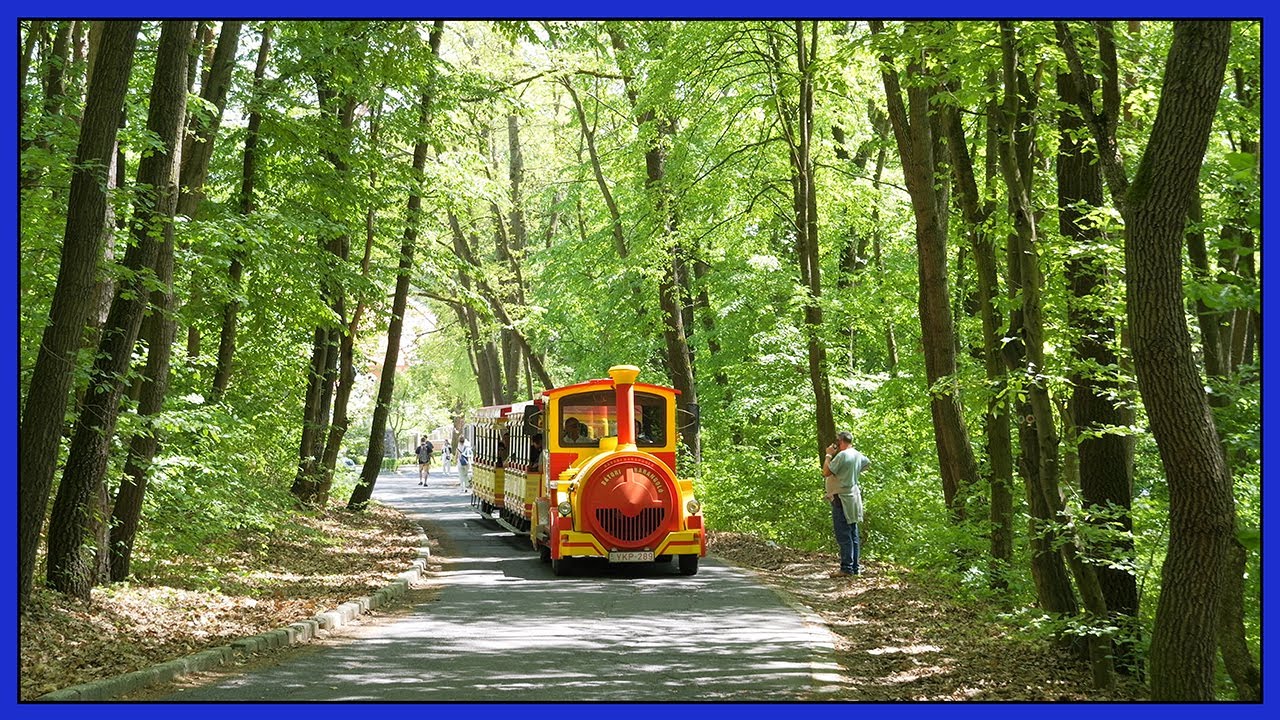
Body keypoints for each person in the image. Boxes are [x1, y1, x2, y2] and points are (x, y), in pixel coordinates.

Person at [822, 430, 870, 578]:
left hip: (841, 497)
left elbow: (826, 472)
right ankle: (855, 567)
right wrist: (851, 472)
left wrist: (829, 454)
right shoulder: (857, 454)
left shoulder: (842, 455)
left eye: (837, 441)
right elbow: (867, 464)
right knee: (852, 532)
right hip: (853, 496)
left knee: (843, 533)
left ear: (841, 441)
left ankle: (846, 568)